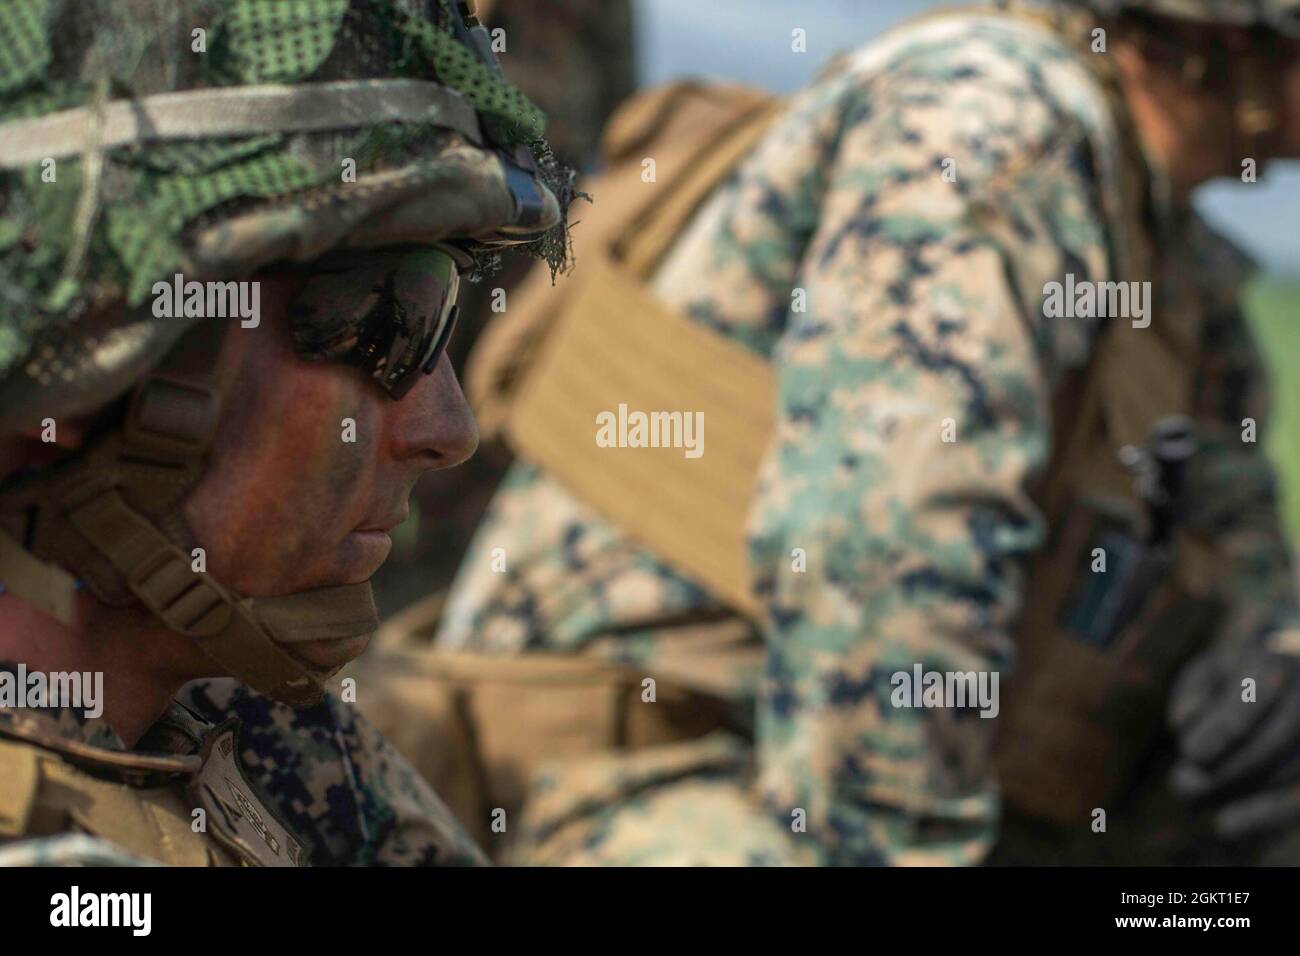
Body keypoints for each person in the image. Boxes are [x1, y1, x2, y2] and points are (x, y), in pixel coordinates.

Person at [394, 0, 1300, 865]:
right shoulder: (992, 121)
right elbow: (891, 559)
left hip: (869, 778)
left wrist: (1267, 675)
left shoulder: (1182, 279)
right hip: (640, 769)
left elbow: (1239, 562)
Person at [0, 0, 572, 866]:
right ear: (85, 357)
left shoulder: (275, 748)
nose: (448, 428)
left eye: (441, 306)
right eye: (386, 314)